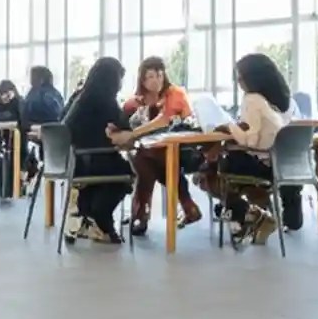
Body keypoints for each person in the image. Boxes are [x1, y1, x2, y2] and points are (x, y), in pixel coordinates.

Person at [107, 57, 201, 235]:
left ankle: (141, 214)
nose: (156, 80)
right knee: (146, 160)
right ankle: (188, 205)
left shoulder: (175, 94)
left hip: (179, 151)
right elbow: (119, 125)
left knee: (145, 160)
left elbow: (180, 121)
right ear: (142, 80)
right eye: (150, 76)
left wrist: (134, 134)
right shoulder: (134, 102)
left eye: (159, 74)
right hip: (151, 156)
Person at [210, 53, 296, 246]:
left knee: (213, 166)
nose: (238, 82)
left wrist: (229, 127)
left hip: (264, 163)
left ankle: (251, 213)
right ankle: (255, 212)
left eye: (240, 77)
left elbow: (251, 141)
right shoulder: (283, 99)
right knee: (230, 163)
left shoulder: (252, 99)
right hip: (283, 164)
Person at [62, 57, 133, 244]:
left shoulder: (78, 97)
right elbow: (124, 127)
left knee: (110, 169)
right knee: (127, 172)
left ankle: (89, 218)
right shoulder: (104, 101)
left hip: (72, 161)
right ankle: (99, 219)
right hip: (91, 159)